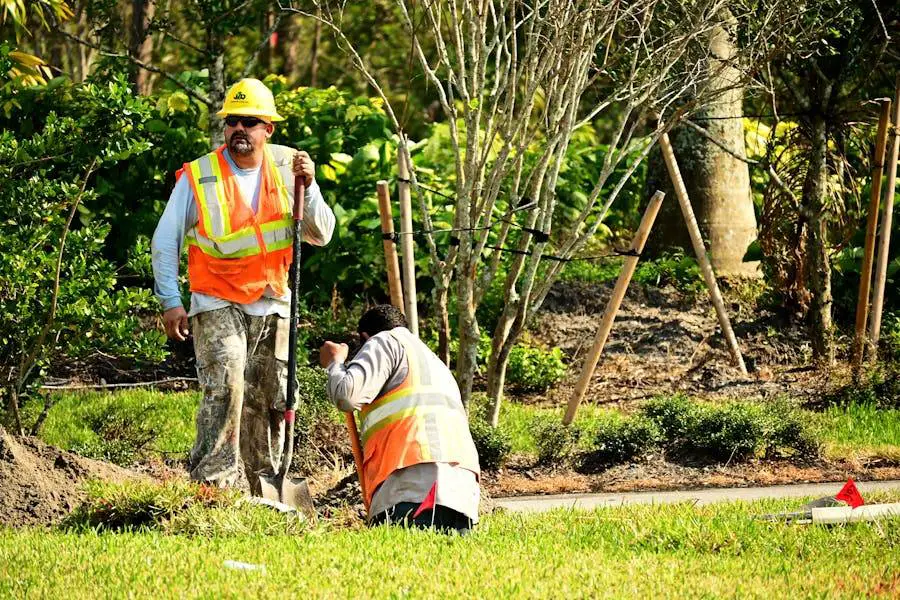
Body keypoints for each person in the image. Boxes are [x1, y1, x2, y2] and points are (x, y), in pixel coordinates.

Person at [151, 78, 335, 494]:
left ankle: (265, 487)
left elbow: (320, 234)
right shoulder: (200, 176)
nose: (239, 129)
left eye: (249, 121)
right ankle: (213, 488)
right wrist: (170, 301)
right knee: (227, 386)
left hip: (272, 300)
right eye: (232, 121)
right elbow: (165, 242)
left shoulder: (291, 169)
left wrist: (314, 186)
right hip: (216, 299)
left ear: (267, 129)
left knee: (273, 395)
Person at [319, 305, 481, 534]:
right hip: (461, 491)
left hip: (413, 486)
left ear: (365, 337)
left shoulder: (384, 341)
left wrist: (335, 363)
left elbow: (346, 395)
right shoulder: (433, 361)